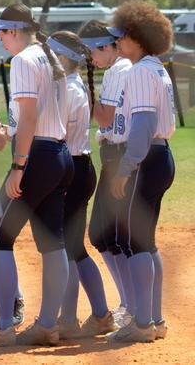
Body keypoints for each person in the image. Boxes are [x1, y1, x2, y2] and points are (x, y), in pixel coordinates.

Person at [0, 3, 74, 347]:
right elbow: (34, 119)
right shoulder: (50, 57)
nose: (0, 40)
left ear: (14, 30)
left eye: (1, 33)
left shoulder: (23, 60)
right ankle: (47, 324)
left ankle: (4, 325)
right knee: (52, 241)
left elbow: (30, 118)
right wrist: (10, 132)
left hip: (36, 158)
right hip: (59, 155)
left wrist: (19, 165)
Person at [106, 0, 175, 343]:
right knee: (146, 243)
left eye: (122, 36)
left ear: (138, 37)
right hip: (160, 158)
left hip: (146, 160)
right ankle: (155, 320)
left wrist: (125, 168)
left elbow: (143, 125)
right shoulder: (155, 67)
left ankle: (143, 323)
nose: (117, 42)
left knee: (134, 243)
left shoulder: (140, 71)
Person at [47, 31, 117, 339]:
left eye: (49, 55)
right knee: (73, 247)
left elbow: (51, 131)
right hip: (78, 168)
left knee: (65, 247)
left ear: (61, 58)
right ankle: (99, 314)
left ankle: (70, 319)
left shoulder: (67, 88)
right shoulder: (70, 85)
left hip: (72, 170)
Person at [79, 20, 135, 327]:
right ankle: (129, 302)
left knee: (108, 234)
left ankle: (132, 305)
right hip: (116, 153)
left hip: (120, 154)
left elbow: (103, 118)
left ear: (106, 46)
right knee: (106, 234)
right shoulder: (123, 68)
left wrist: (82, 91)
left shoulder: (118, 70)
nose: (92, 58)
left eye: (93, 51)